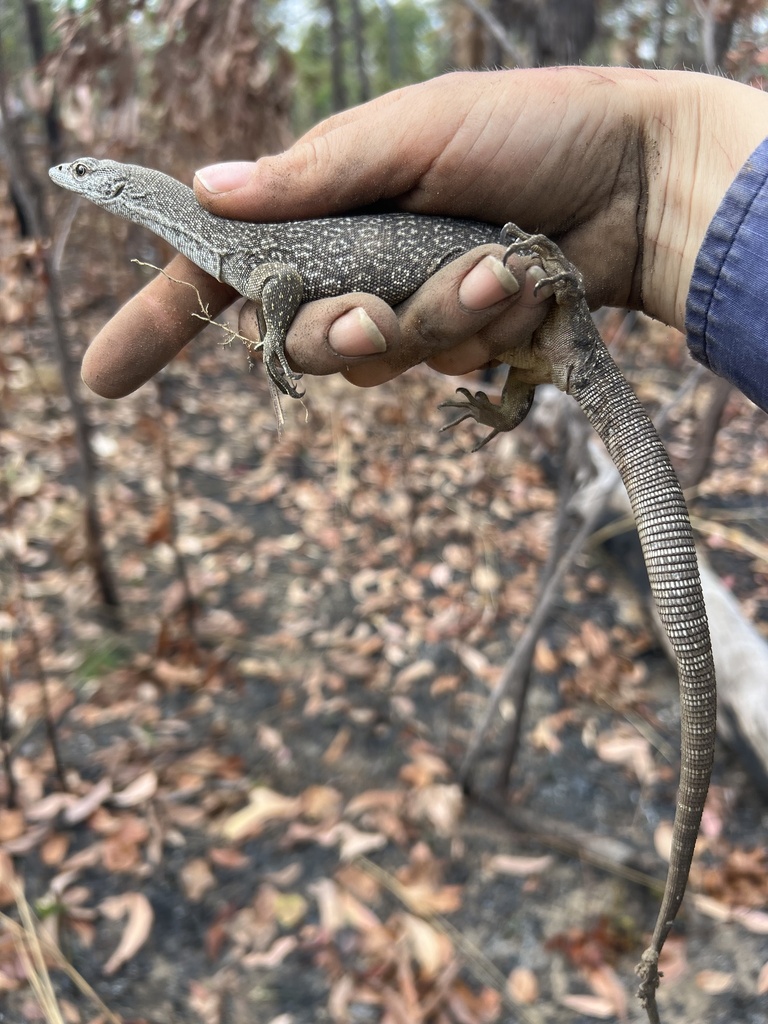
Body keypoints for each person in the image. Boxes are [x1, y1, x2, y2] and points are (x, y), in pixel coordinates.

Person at [80, 66, 768, 412]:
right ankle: (514, 396)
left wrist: (271, 342)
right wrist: (655, 185)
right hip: (537, 284)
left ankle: (517, 387)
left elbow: (283, 284)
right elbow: (280, 278)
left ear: (118, 186)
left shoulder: (234, 243)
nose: (73, 178)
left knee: (481, 304)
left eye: (83, 173)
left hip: (536, 272)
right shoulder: (225, 242)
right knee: (471, 316)